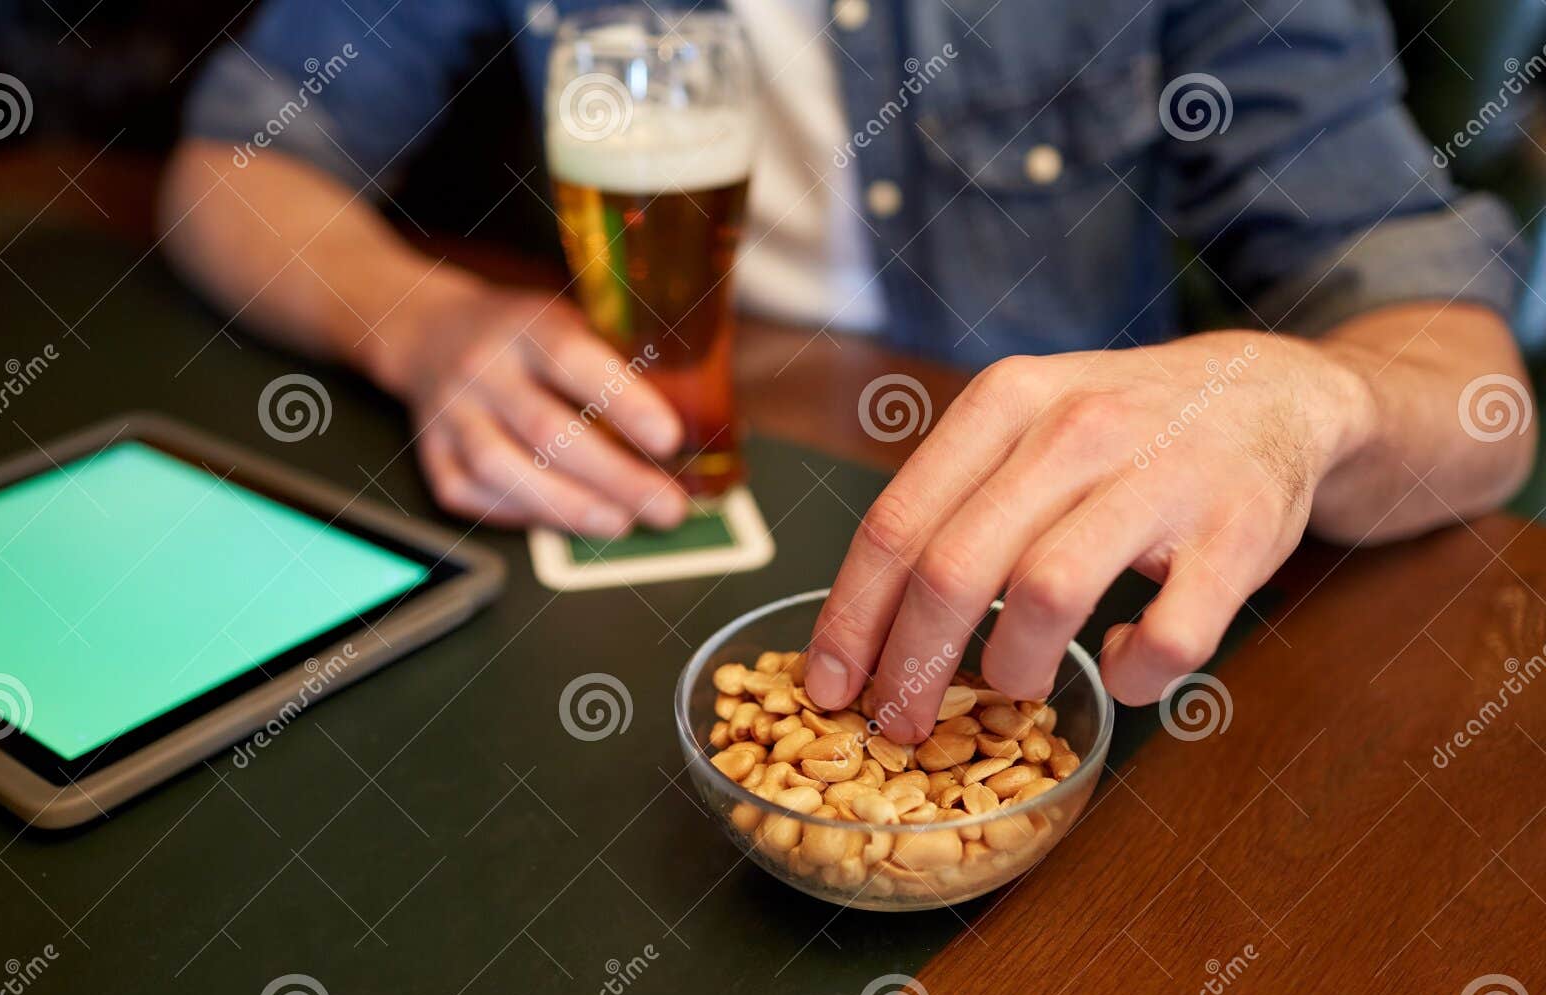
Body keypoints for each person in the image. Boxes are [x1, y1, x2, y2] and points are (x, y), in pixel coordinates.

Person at [162, 0, 1535, 726]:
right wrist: (416, 319)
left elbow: (1474, 388)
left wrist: (1304, 400)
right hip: (658, 492)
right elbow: (237, 160)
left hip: (1076, 592)